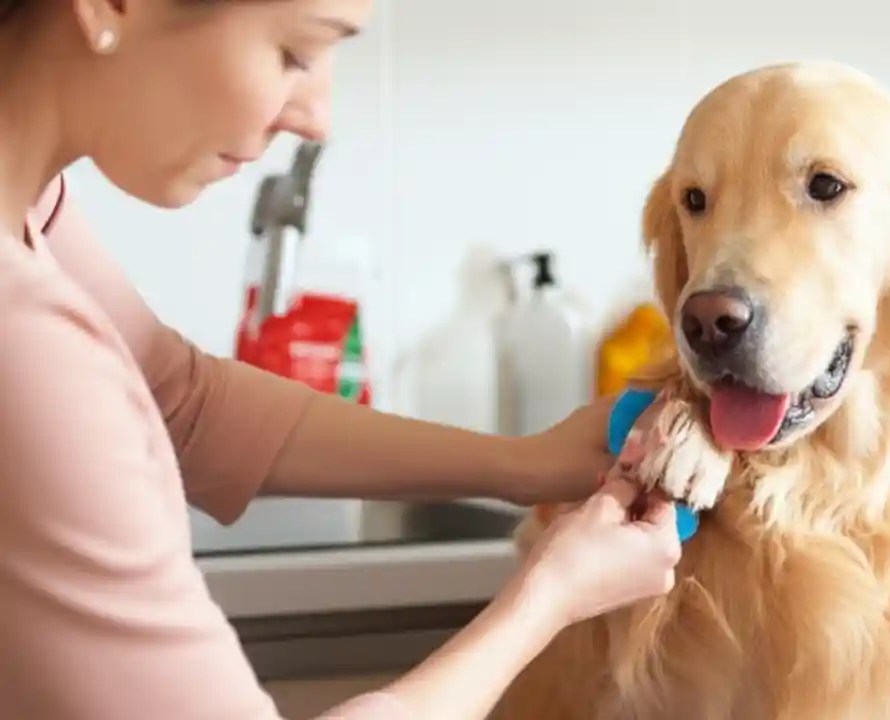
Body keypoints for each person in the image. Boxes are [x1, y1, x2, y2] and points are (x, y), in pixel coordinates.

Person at [0, 1, 683, 718]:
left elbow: (186, 402)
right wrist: (548, 600)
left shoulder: (28, 203)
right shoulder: (26, 344)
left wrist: (522, 463)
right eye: (295, 54)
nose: (316, 116)